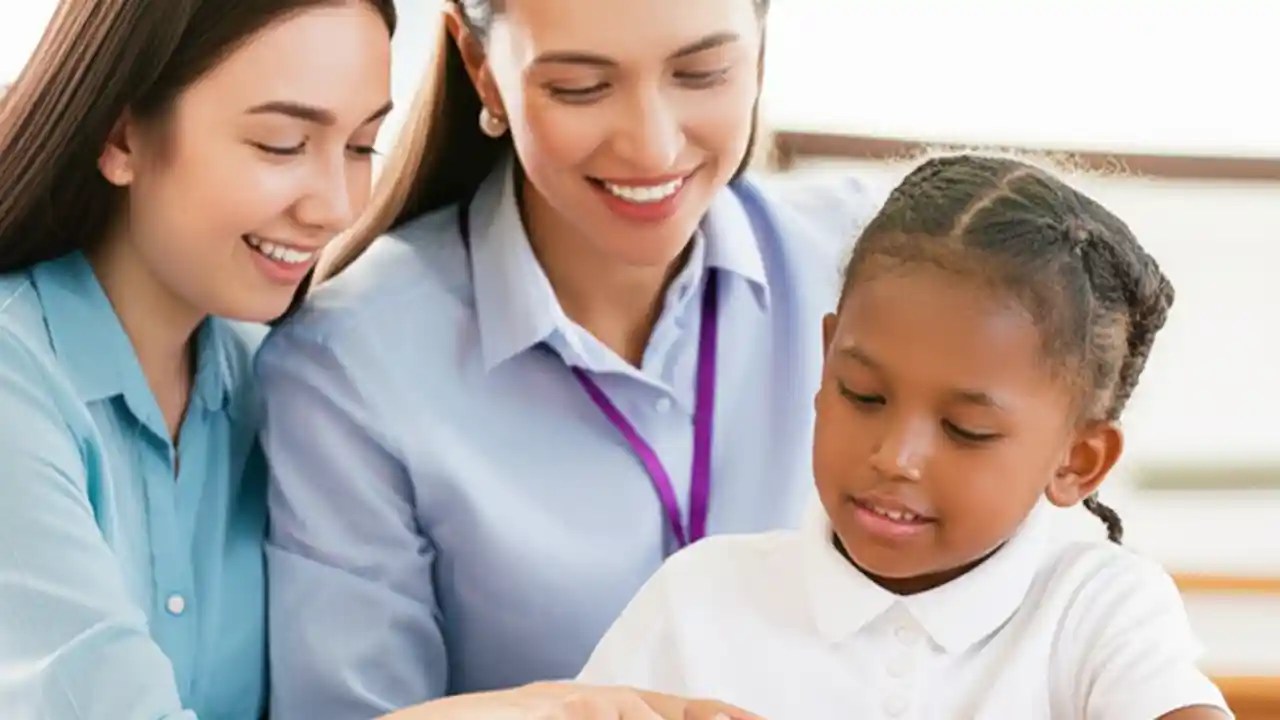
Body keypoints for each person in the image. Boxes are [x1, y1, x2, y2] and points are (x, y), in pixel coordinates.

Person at [0, 2, 745, 719]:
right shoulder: (18, 380)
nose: (334, 205)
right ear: (121, 135)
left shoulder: (270, 376)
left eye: (361, 148)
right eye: (282, 145)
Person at [257, 0, 872, 716]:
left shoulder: (865, 265)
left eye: (702, 72)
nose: (652, 147)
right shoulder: (349, 366)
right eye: (581, 88)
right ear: (482, 70)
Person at [577, 155, 1234, 720]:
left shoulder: (1095, 609)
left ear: (1078, 460)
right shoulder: (698, 599)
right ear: (828, 357)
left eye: (965, 430)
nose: (895, 456)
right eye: (862, 395)